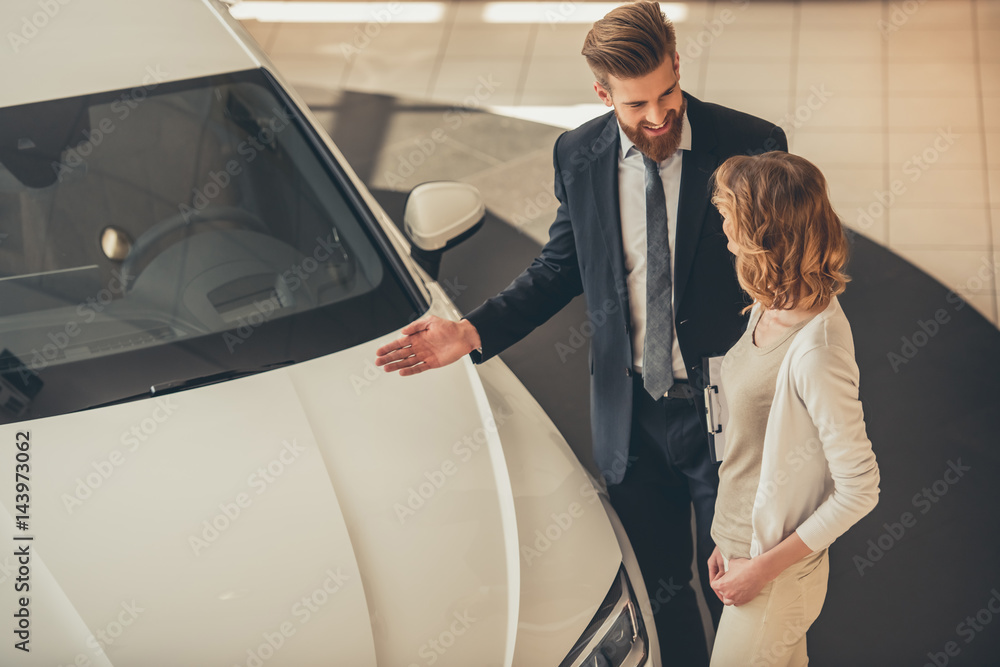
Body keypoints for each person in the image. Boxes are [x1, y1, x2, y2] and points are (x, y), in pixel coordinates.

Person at [375, 2, 785, 663]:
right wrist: (471, 330)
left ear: (678, 65)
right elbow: (562, 265)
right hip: (631, 420)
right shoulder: (579, 154)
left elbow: (787, 285)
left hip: (728, 420)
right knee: (661, 593)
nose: (657, 117)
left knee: (743, 595)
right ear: (601, 93)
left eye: (667, 94)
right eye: (635, 105)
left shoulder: (755, 146)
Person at [706, 151, 880, 666]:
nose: (723, 228)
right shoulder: (772, 299)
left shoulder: (818, 351)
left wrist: (759, 569)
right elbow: (754, 445)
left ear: (765, 235)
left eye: (729, 217)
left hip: (774, 580)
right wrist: (728, 537)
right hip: (744, 551)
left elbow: (860, 489)